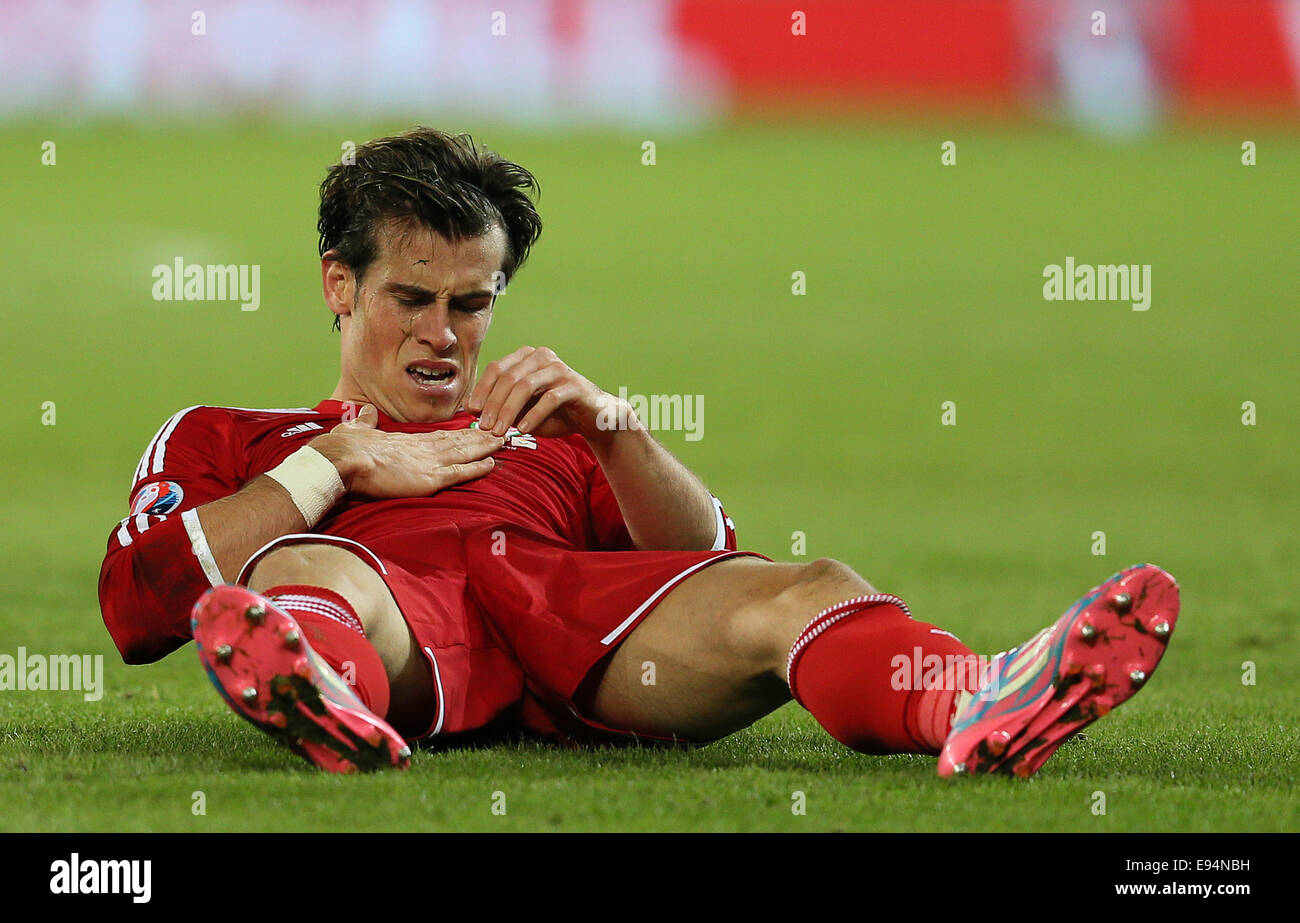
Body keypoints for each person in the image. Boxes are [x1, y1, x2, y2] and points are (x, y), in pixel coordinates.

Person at [98, 127, 1180, 776]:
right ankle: (328, 701)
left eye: (472, 304)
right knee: (305, 572)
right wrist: (328, 469)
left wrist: (616, 433)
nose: (444, 333)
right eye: (411, 299)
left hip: (568, 628)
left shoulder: (541, 437)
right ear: (340, 287)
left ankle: (976, 697)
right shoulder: (234, 439)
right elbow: (135, 602)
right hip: (396, 634)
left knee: (803, 586)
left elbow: (700, 555)